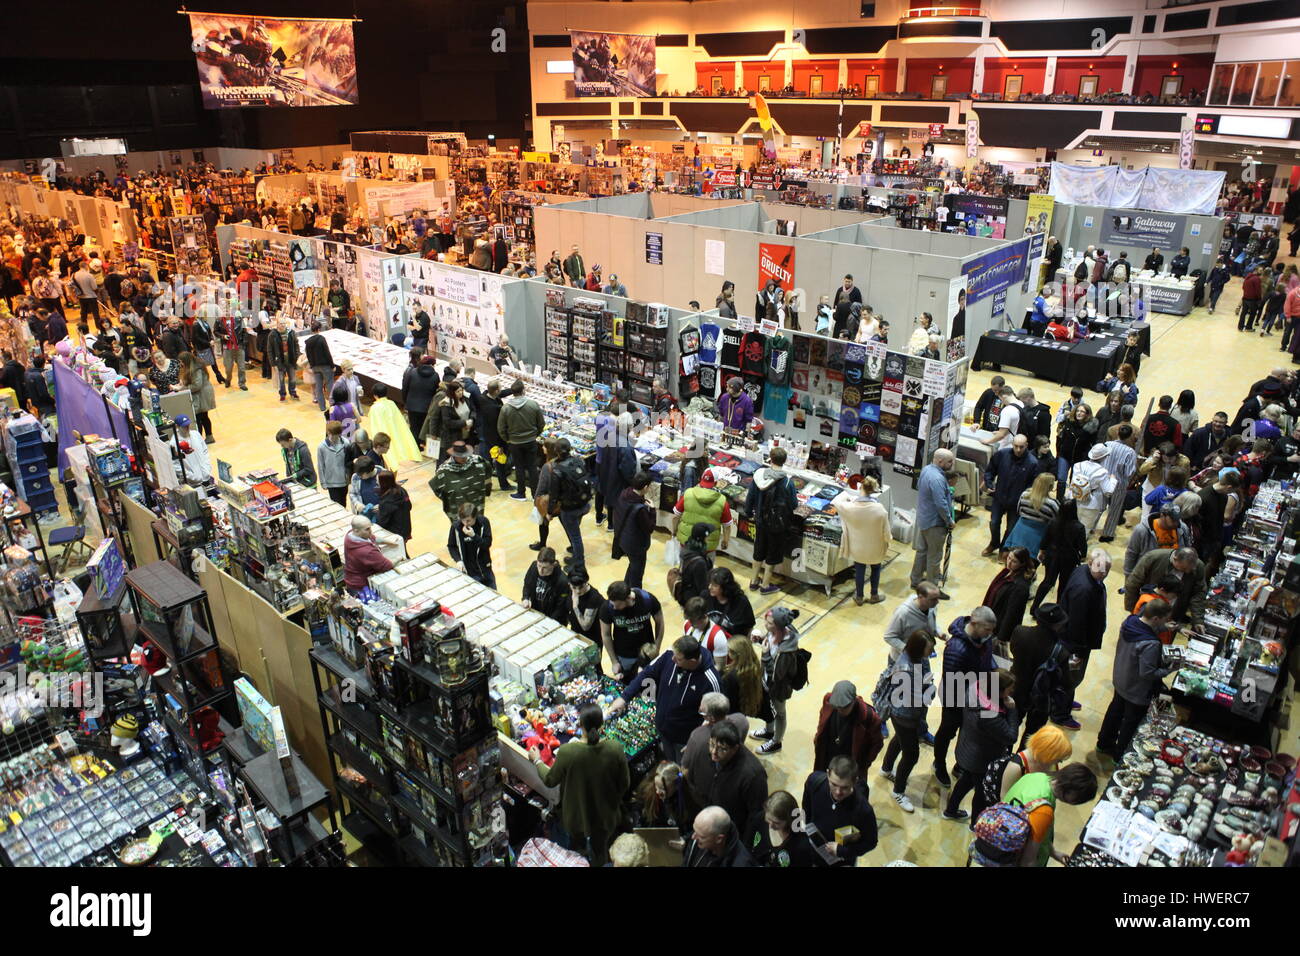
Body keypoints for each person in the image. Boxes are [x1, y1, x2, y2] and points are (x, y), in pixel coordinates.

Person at [529, 703, 629, 867]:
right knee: (601, 853)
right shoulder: (615, 748)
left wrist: (537, 760)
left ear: (580, 724)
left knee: (575, 856)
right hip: (606, 817)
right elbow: (625, 784)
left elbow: (550, 780)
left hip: (576, 819)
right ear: (601, 724)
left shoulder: (568, 752)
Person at [932, 605, 998, 793]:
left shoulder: (982, 637)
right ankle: (939, 764)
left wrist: (993, 672)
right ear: (975, 624)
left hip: (975, 697)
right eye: (987, 630)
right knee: (947, 732)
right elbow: (954, 684)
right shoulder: (956, 649)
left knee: (967, 732)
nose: (990, 634)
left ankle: (960, 764)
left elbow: (987, 658)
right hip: (956, 700)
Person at [944, 669, 1017, 821]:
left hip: (967, 746)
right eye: (1010, 689)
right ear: (999, 691)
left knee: (965, 780)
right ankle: (975, 824)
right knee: (982, 793)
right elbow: (1011, 737)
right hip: (981, 758)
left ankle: (950, 811)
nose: (1012, 691)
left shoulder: (974, 689)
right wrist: (1012, 710)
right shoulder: (989, 714)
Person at [681, 721, 767, 845]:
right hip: (708, 820)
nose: (714, 752)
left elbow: (756, 816)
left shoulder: (753, 775)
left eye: (722, 749)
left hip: (732, 833)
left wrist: (744, 845)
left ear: (735, 748)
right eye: (711, 744)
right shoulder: (708, 749)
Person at [1053, 550, 1112, 729]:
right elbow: (1077, 624)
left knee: (1068, 676)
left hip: (1075, 640)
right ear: (1090, 563)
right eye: (1100, 568)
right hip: (1074, 645)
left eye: (1107, 569)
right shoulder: (1084, 590)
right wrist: (1078, 652)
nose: (1104, 573)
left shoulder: (1084, 572)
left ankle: (1065, 701)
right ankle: (1059, 714)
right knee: (1069, 677)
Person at [879, 629, 935, 813]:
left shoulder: (920, 659)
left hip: (912, 714)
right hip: (904, 715)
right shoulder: (904, 668)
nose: (931, 652)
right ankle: (899, 792)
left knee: (900, 740)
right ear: (918, 648)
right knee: (911, 755)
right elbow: (917, 696)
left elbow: (926, 681)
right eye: (929, 648)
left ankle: (886, 768)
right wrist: (930, 690)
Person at [975, 724, 1073, 825]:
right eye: (1058, 759)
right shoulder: (1016, 767)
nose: (1058, 762)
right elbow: (1005, 798)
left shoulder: (1051, 763)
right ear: (1047, 753)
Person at [1002, 763, 1098, 866]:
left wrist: (1053, 852)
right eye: (1078, 799)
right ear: (1071, 791)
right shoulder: (1043, 811)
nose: (1075, 803)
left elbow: (1041, 834)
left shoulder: (1038, 776)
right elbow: (1028, 860)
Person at [800, 756, 878, 866]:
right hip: (814, 849)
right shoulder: (814, 782)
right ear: (827, 774)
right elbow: (806, 808)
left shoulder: (863, 810)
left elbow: (870, 842)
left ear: (855, 781)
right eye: (834, 784)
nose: (838, 792)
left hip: (841, 860)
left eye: (844, 787)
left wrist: (842, 851)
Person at [745, 446, 798, 595]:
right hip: (777, 525)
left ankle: (754, 581)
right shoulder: (787, 483)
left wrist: (749, 512)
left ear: (770, 458)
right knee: (772, 554)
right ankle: (766, 585)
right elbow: (794, 504)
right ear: (785, 461)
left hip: (760, 521)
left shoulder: (759, 476)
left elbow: (751, 497)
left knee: (759, 550)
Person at [751, 607, 801, 755]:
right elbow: (770, 645)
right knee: (767, 707)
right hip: (766, 680)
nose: (765, 625)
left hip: (778, 687)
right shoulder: (775, 632)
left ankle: (776, 742)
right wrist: (760, 640)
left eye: (769, 623)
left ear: (779, 626)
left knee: (780, 713)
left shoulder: (786, 650)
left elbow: (778, 675)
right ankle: (768, 731)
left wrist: (765, 654)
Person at [834, 474, 890, 605]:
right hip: (875, 547)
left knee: (860, 569)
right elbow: (887, 532)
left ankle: (859, 596)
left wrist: (848, 496)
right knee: (876, 568)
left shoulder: (851, 507)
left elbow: (837, 501)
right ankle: (874, 594)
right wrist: (888, 541)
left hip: (858, 547)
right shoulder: (880, 509)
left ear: (860, 488)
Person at [982, 433, 1039, 556]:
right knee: (994, 522)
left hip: (1017, 502)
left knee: (1011, 527)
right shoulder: (1002, 454)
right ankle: (994, 543)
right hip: (999, 497)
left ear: (1027, 446)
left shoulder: (1033, 463)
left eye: (1021, 447)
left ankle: (1004, 549)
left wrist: (1026, 497)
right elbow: (990, 470)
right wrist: (989, 483)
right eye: (1016, 446)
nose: (1018, 450)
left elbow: (1033, 485)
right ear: (1012, 444)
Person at [812, 680, 884, 779]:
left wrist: (863, 764)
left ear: (854, 700)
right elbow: (822, 720)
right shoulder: (828, 701)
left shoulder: (869, 717)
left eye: (845, 707)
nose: (840, 710)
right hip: (828, 758)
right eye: (837, 706)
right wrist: (817, 740)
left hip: (851, 764)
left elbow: (877, 743)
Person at [598, 581, 665, 681]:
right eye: (612, 604)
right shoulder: (607, 607)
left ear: (629, 599)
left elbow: (660, 623)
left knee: (649, 683)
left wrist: (656, 647)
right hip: (624, 655)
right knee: (627, 684)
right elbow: (606, 635)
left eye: (618, 605)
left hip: (647, 652)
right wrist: (614, 661)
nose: (614, 607)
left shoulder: (648, 599)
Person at [1125, 546, 1206, 626]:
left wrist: (1198, 620)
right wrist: (1132, 610)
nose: (1188, 571)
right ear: (1175, 558)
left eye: (1190, 569)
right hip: (1149, 614)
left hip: (1174, 615)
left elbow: (1199, 593)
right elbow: (1133, 584)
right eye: (1184, 569)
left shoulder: (1198, 566)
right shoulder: (1153, 557)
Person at [911, 449, 954, 594]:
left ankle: (916, 579)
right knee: (934, 556)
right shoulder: (938, 479)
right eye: (949, 461)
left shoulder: (926, 470)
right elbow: (941, 504)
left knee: (922, 551)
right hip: (935, 523)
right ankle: (932, 588)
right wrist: (949, 520)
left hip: (924, 519)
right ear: (940, 461)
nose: (951, 464)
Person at [549, 438, 593, 565]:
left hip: (570, 509)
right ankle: (575, 549)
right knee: (574, 531)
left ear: (556, 451)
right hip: (585, 504)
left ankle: (579, 562)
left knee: (575, 536)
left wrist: (549, 512)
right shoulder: (579, 461)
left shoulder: (557, 470)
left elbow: (554, 495)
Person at [499, 380, 545, 499]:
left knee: (518, 467)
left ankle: (521, 493)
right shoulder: (533, 404)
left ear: (512, 392)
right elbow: (541, 423)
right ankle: (536, 494)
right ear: (523, 390)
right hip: (530, 441)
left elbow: (501, 428)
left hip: (514, 442)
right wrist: (535, 434)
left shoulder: (506, 408)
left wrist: (507, 439)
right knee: (532, 467)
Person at [983, 548, 1036, 649]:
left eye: (1014, 561)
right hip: (991, 618)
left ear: (1022, 564)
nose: (1009, 562)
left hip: (998, 628)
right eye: (1009, 558)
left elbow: (1012, 615)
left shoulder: (1021, 587)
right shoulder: (1007, 571)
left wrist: (1001, 637)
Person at [671, 467, 732, 554]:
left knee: (685, 565)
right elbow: (727, 526)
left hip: (687, 541)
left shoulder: (688, 493)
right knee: (706, 566)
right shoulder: (722, 501)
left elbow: (676, 516)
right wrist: (725, 541)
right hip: (708, 545)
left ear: (701, 479)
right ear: (715, 483)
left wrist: (674, 531)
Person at [428, 440, 493, 521]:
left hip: (477, 506)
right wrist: (450, 500)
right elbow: (436, 487)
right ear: (454, 455)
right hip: (458, 512)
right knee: (461, 530)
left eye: (465, 455)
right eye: (460, 456)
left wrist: (487, 489)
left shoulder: (478, 461)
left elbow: (488, 471)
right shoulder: (445, 471)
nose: (464, 458)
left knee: (478, 526)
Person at [751, 791, 818, 867]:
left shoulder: (801, 844)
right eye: (768, 819)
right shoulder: (759, 819)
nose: (770, 826)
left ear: (789, 820)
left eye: (776, 823)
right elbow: (747, 846)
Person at [1123, 502, 1192, 575]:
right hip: (1148, 575)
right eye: (1173, 519)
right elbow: (1131, 553)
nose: (1176, 523)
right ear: (1162, 515)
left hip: (1171, 575)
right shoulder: (1142, 530)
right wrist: (1128, 574)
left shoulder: (1182, 528)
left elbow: (1187, 548)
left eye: (1177, 519)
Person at [681, 805, 754, 868]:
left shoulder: (741, 863)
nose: (693, 837)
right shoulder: (699, 840)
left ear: (719, 839)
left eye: (702, 837)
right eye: (694, 831)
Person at [1067, 443, 1114, 534]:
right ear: (1103, 457)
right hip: (1091, 504)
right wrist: (1113, 480)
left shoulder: (1078, 465)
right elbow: (1108, 492)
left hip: (1073, 498)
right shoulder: (1102, 472)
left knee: (1070, 526)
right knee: (1084, 530)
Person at [343, 515, 394, 595]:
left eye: (370, 527)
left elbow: (373, 538)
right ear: (356, 530)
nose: (371, 531)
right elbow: (387, 566)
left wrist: (389, 542)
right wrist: (400, 558)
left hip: (351, 579)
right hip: (361, 588)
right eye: (367, 529)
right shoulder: (366, 552)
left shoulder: (350, 535)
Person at [448, 502, 494, 587]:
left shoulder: (484, 522)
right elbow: (451, 546)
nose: (465, 523)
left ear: (475, 517)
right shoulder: (456, 527)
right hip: (470, 571)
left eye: (468, 520)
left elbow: (487, 544)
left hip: (485, 568)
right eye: (463, 520)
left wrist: (473, 536)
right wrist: (458, 560)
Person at [669, 526, 715, 609]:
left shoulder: (687, 547)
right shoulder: (699, 562)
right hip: (694, 601)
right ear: (702, 539)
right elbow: (702, 588)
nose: (708, 539)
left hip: (685, 594)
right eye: (707, 537)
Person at [522, 548, 570, 625]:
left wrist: (547, 622)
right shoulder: (534, 567)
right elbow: (527, 584)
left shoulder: (563, 581)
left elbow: (561, 608)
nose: (540, 571)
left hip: (554, 620)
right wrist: (525, 598)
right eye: (539, 566)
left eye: (544, 568)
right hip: (536, 613)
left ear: (553, 564)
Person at [177, 351, 216, 442]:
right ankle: (207, 437)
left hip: (202, 395)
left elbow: (197, 385)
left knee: (199, 417)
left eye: (181, 361)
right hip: (200, 395)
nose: (180, 363)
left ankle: (200, 439)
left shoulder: (196, 369)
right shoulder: (193, 367)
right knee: (202, 417)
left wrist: (182, 388)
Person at [706, 567, 756, 638]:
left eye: (715, 585)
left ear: (725, 587)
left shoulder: (741, 602)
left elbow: (749, 627)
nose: (709, 587)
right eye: (710, 583)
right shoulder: (706, 595)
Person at [374, 470, 412, 555]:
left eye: (378, 481)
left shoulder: (386, 501)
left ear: (383, 483)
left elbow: (382, 522)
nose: (376, 482)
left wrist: (379, 512)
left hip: (395, 532)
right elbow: (409, 506)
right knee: (403, 550)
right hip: (405, 528)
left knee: (401, 553)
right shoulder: (402, 490)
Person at [404, 356, 441, 437]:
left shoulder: (413, 372)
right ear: (432, 364)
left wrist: (406, 402)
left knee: (413, 429)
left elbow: (405, 388)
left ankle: (414, 447)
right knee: (423, 430)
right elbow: (436, 393)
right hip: (426, 408)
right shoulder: (435, 376)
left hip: (412, 406)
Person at [317, 420, 351, 506]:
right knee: (336, 505)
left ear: (339, 434)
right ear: (328, 433)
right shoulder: (321, 447)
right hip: (331, 483)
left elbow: (349, 462)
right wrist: (323, 482)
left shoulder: (346, 443)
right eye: (331, 435)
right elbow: (320, 465)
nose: (333, 438)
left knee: (343, 503)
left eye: (336, 436)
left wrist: (349, 477)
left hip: (344, 481)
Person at [267, 317, 300, 402]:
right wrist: (273, 363)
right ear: (277, 324)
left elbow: (296, 345)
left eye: (284, 323)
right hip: (279, 361)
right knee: (281, 379)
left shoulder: (291, 333)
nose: (283, 325)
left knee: (292, 378)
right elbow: (270, 350)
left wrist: (297, 356)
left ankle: (292, 392)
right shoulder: (272, 334)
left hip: (291, 360)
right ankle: (282, 394)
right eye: (281, 323)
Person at [303, 320, 334, 413]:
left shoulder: (308, 342)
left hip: (315, 367)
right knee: (330, 386)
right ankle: (332, 405)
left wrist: (312, 366)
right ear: (319, 329)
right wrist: (332, 365)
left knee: (318, 387)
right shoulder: (321, 339)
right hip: (325, 366)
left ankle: (322, 407)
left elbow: (308, 355)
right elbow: (327, 353)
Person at [982, 386, 1022, 450]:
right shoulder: (1021, 404)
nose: (1002, 402)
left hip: (1006, 447)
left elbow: (1001, 435)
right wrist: (1000, 432)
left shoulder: (1007, 410)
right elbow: (1014, 425)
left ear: (1004, 397)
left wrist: (987, 441)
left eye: (1001, 399)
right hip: (1017, 444)